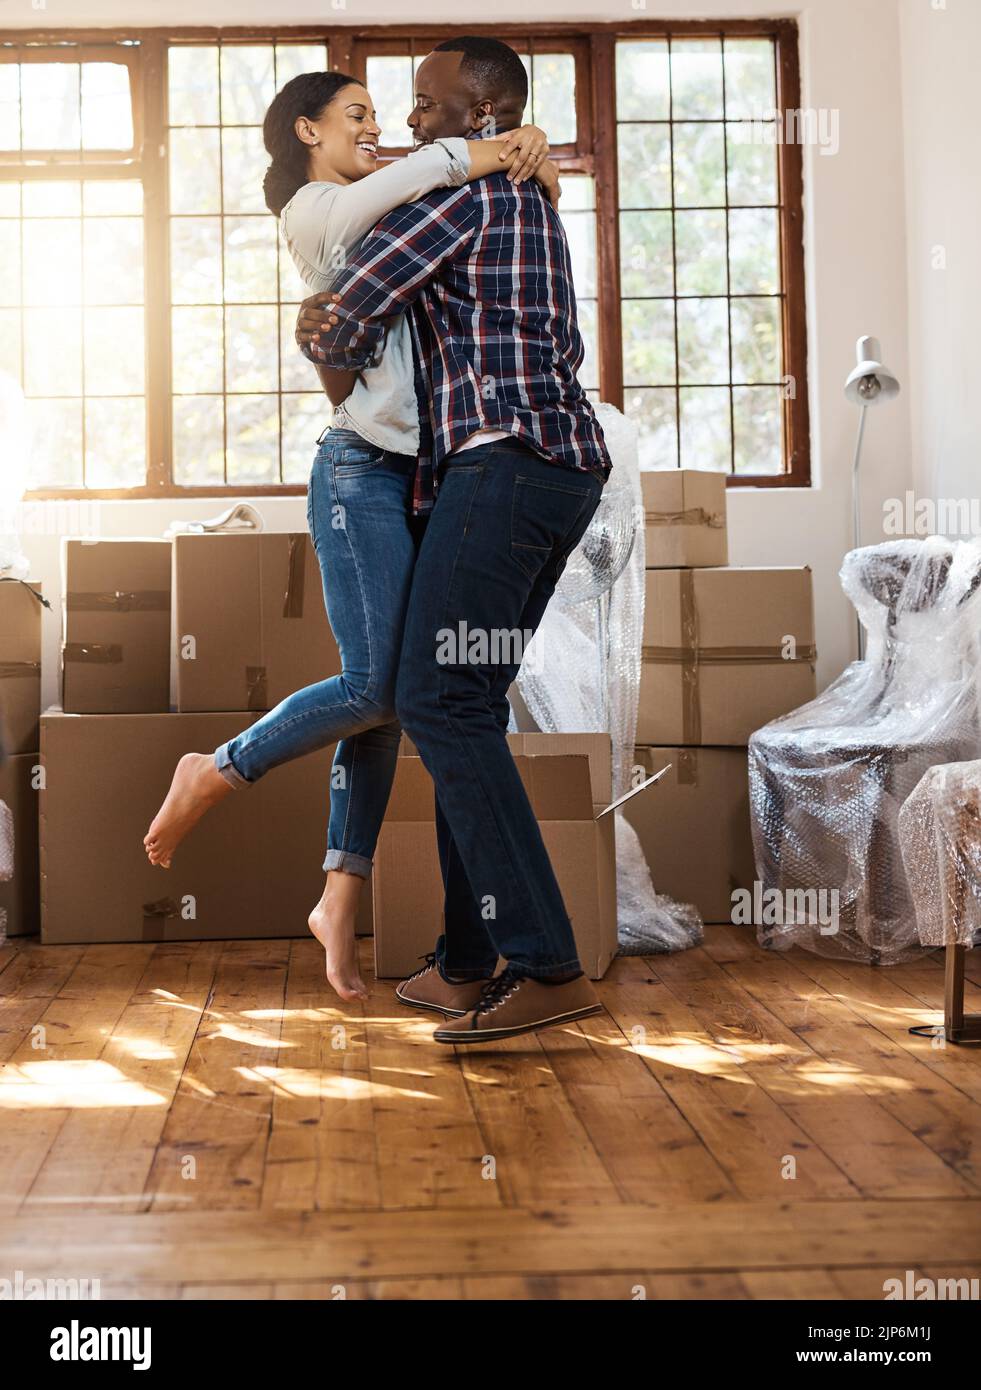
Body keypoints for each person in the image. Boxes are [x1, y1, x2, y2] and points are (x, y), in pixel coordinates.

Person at [143, 67, 558, 1004]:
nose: (377, 130)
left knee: (401, 698)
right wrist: (494, 149)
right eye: (357, 115)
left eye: (381, 115)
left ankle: (339, 891)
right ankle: (217, 769)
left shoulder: (389, 206)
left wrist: (527, 155)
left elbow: (443, 189)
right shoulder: (315, 210)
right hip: (360, 469)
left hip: (422, 475)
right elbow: (419, 176)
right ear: (305, 132)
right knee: (377, 684)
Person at [298, 38, 612, 1043]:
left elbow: (341, 320)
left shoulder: (455, 201)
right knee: (463, 700)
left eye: (429, 106)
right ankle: (468, 956)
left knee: (433, 696)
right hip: (560, 468)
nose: (411, 122)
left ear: (481, 114)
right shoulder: (527, 196)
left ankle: (547, 964)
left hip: (501, 463)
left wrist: (321, 328)